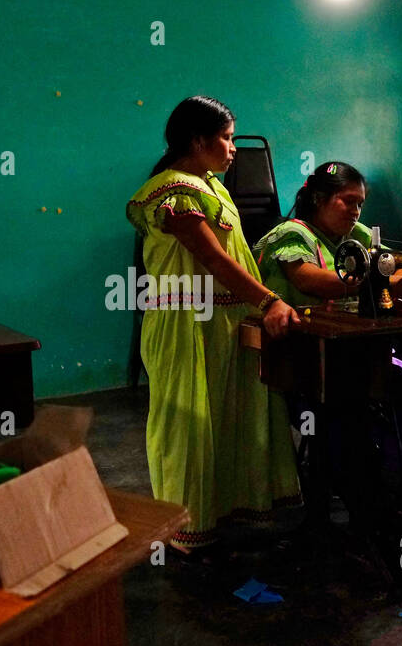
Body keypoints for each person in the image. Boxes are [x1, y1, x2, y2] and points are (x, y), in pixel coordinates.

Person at [253, 161, 402, 531]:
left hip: (354, 355)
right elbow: (309, 280)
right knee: (347, 415)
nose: (356, 211)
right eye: (347, 201)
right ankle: (370, 507)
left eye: (360, 203)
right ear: (320, 199)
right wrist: (372, 279)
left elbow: (393, 263)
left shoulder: (354, 233)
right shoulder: (289, 235)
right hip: (300, 362)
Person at [125, 97, 300, 554]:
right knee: (189, 423)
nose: (232, 148)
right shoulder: (171, 189)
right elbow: (211, 257)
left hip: (225, 319)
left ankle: (223, 511)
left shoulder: (212, 187)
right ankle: (184, 526)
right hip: (186, 322)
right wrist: (269, 300)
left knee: (232, 418)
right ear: (197, 140)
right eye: (225, 138)